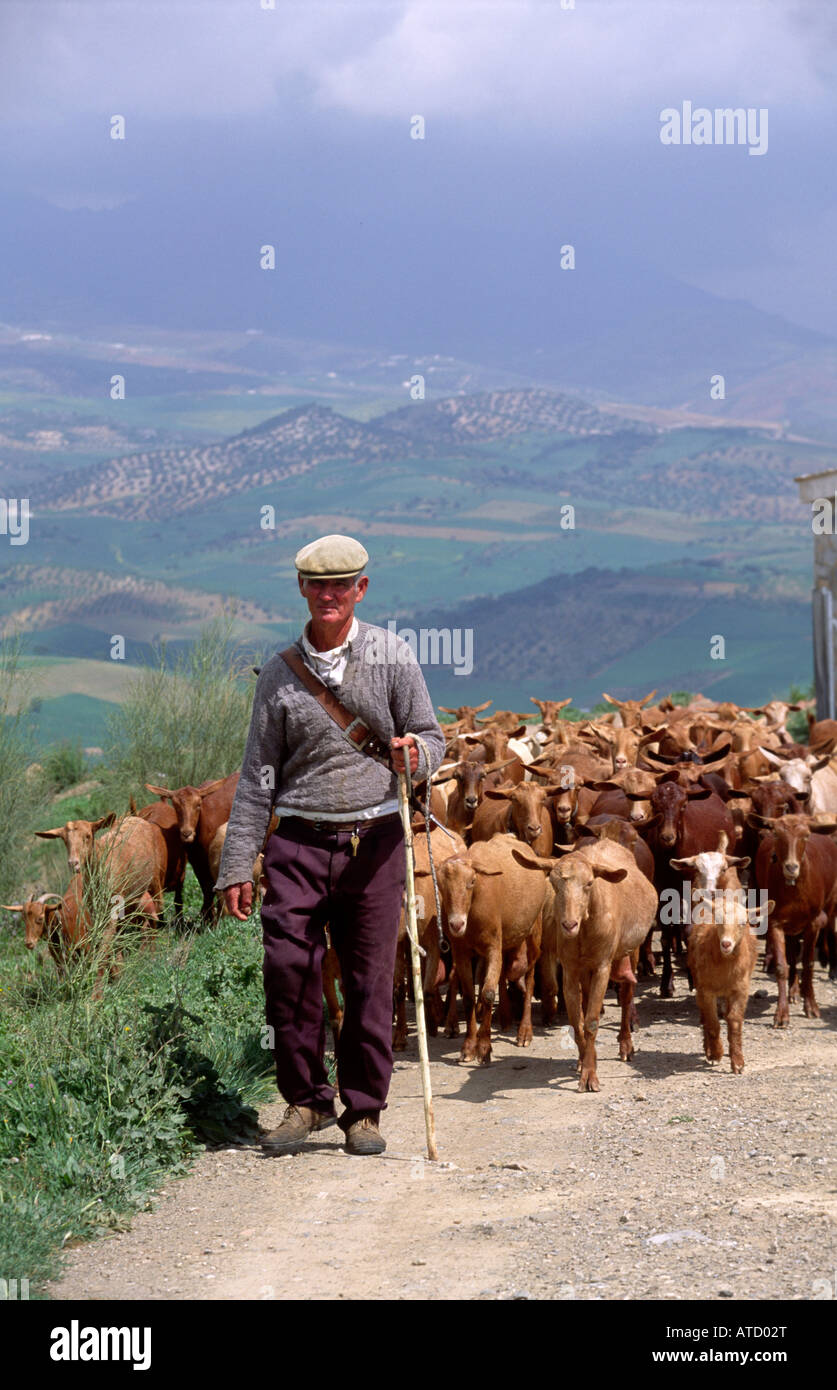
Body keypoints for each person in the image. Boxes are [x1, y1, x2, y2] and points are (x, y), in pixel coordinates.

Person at [215, 534, 445, 1155]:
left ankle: (364, 1111)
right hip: (296, 843)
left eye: (341, 585)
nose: (329, 595)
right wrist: (238, 862)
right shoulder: (278, 677)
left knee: (371, 976)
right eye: (318, 586)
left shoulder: (394, 657)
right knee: (288, 970)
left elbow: (432, 738)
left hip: (373, 842)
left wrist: (414, 754)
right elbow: (257, 774)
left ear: (360, 590)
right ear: (302, 590)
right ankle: (306, 1103)